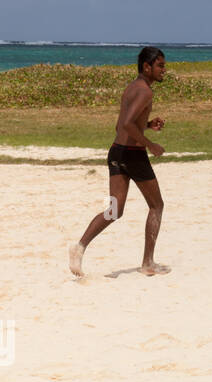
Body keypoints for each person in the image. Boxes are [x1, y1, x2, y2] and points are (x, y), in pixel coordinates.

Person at [69, 47, 168, 276]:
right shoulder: (145, 92)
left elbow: (122, 126)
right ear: (147, 66)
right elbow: (126, 126)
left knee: (114, 210)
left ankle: (80, 246)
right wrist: (150, 144)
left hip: (116, 153)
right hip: (133, 155)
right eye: (160, 66)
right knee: (157, 205)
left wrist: (147, 124)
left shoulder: (131, 88)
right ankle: (148, 263)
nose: (164, 70)